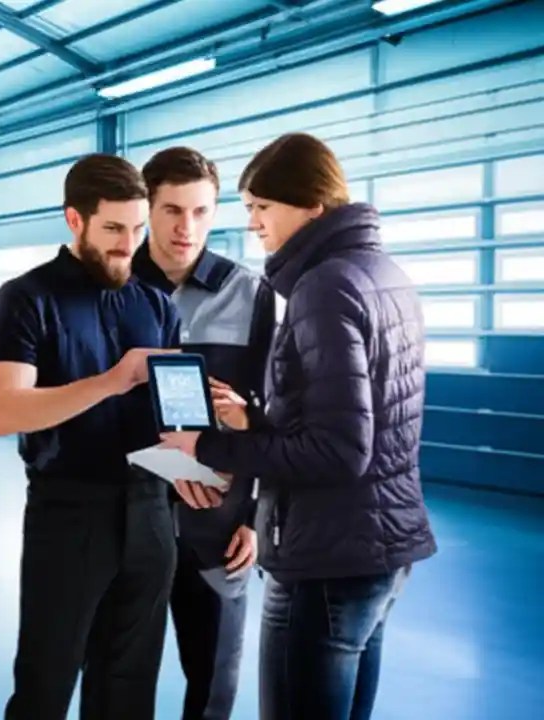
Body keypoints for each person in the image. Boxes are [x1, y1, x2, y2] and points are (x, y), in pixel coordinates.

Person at [159, 133, 437, 720]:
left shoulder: (322, 288)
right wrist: (256, 418)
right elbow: (357, 416)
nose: (254, 223)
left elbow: (339, 450)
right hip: (379, 547)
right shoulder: (383, 274)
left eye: (262, 207)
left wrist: (209, 442)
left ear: (310, 204)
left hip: (326, 555)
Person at [0, 153, 180, 720]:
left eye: (138, 229)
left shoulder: (156, 305)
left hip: (150, 514)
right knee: (46, 684)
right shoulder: (26, 298)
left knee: (130, 686)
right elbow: (6, 411)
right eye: (114, 229)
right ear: (75, 220)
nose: (129, 244)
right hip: (68, 513)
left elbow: (172, 422)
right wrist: (112, 381)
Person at [135, 147, 276, 720]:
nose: (184, 228)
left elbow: (273, 415)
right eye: (171, 210)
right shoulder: (111, 290)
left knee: (214, 686)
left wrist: (258, 519)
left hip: (220, 524)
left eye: (200, 211)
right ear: (147, 207)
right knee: (118, 675)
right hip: (127, 518)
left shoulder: (252, 295)